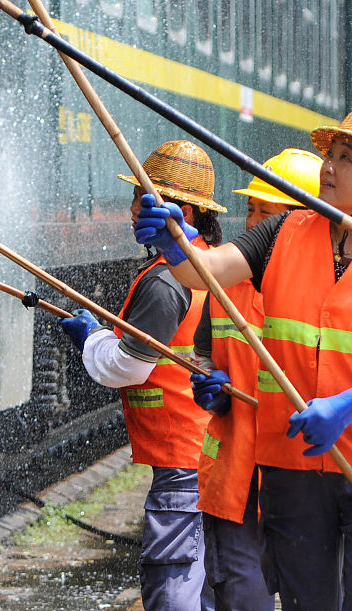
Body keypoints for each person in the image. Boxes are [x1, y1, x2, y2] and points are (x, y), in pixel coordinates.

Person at [136, 100, 352, 610]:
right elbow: (204, 271)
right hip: (292, 464)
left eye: (345, 158)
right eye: (331, 155)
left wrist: (350, 405)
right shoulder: (283, 232)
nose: (328, 168)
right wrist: (174, 243)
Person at [57, 140, 225, 611]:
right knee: (208, 586)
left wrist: (90, 337)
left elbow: (127, 366)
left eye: (142, 199)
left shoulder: (166, 280)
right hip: (211, 451)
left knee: (172, 587)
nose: (133, 210)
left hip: (182, 460)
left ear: (183, 213)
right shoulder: (213, 261)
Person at [190, 148, 323, 611]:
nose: (253, 224)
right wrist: (209, 387)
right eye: (251, 210)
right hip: (238, 475)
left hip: (304, 475)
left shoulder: (327, 293)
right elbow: (203, 356)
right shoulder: (225, 284)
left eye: (268, 214)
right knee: (241, 593)